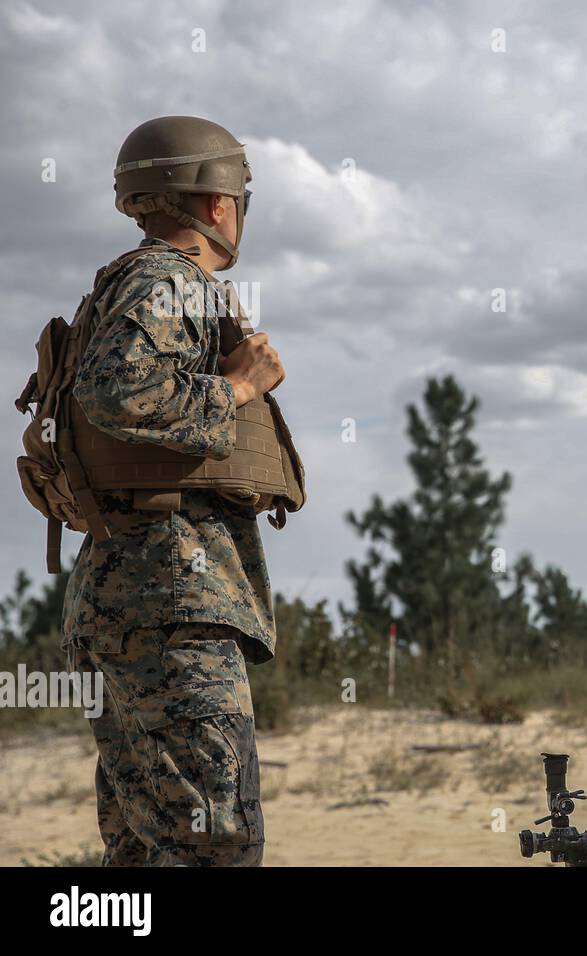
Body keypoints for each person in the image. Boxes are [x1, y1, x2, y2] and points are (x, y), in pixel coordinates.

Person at [57, 115, 303, 865]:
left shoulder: (129, 283)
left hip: (132, 600)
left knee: (145, 849)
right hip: (169, 600)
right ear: (219, 202)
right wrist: (237, 389)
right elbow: (117, 390)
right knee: (214, 844)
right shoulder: (170, 280)